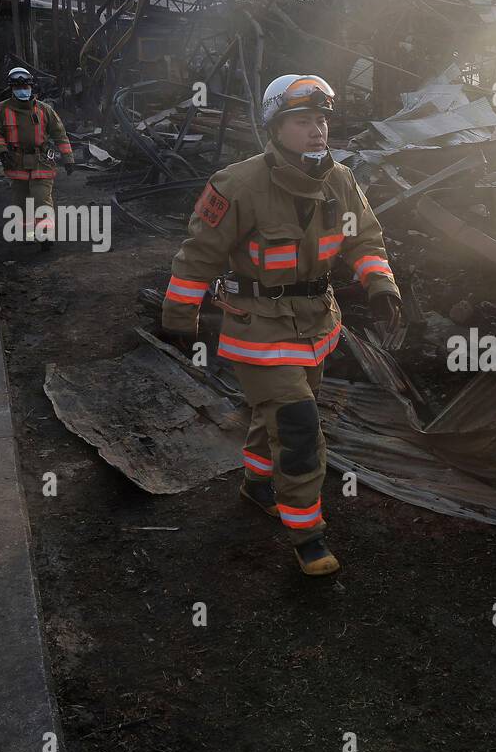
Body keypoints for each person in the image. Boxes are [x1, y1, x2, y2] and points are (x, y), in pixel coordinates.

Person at [160, 74, 401, 577]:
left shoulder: (340, 180)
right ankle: (307, 535)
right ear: (275, 127)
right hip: (260, 329)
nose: (317, 131)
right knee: (297, 426)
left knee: (275, 410)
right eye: (302, 121)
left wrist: (380, 285)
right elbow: (197, 256)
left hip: (317, 323)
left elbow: (364, 239)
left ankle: (257, 484)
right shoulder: (238, 184)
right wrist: (180, 318)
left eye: (322, 120)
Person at [0, 67, 74, 250]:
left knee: (42, 199)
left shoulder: (44, 110)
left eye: (25, 85)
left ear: (31, 86)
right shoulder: (1, 110)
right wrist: (1, 151)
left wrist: (68, 157)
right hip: (16, 162)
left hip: (41, 161)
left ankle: (45, 236)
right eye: (18, 86)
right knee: (22, 201)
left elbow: (60, 134)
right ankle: (27, 234)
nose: (22, 89)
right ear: (11, 88)